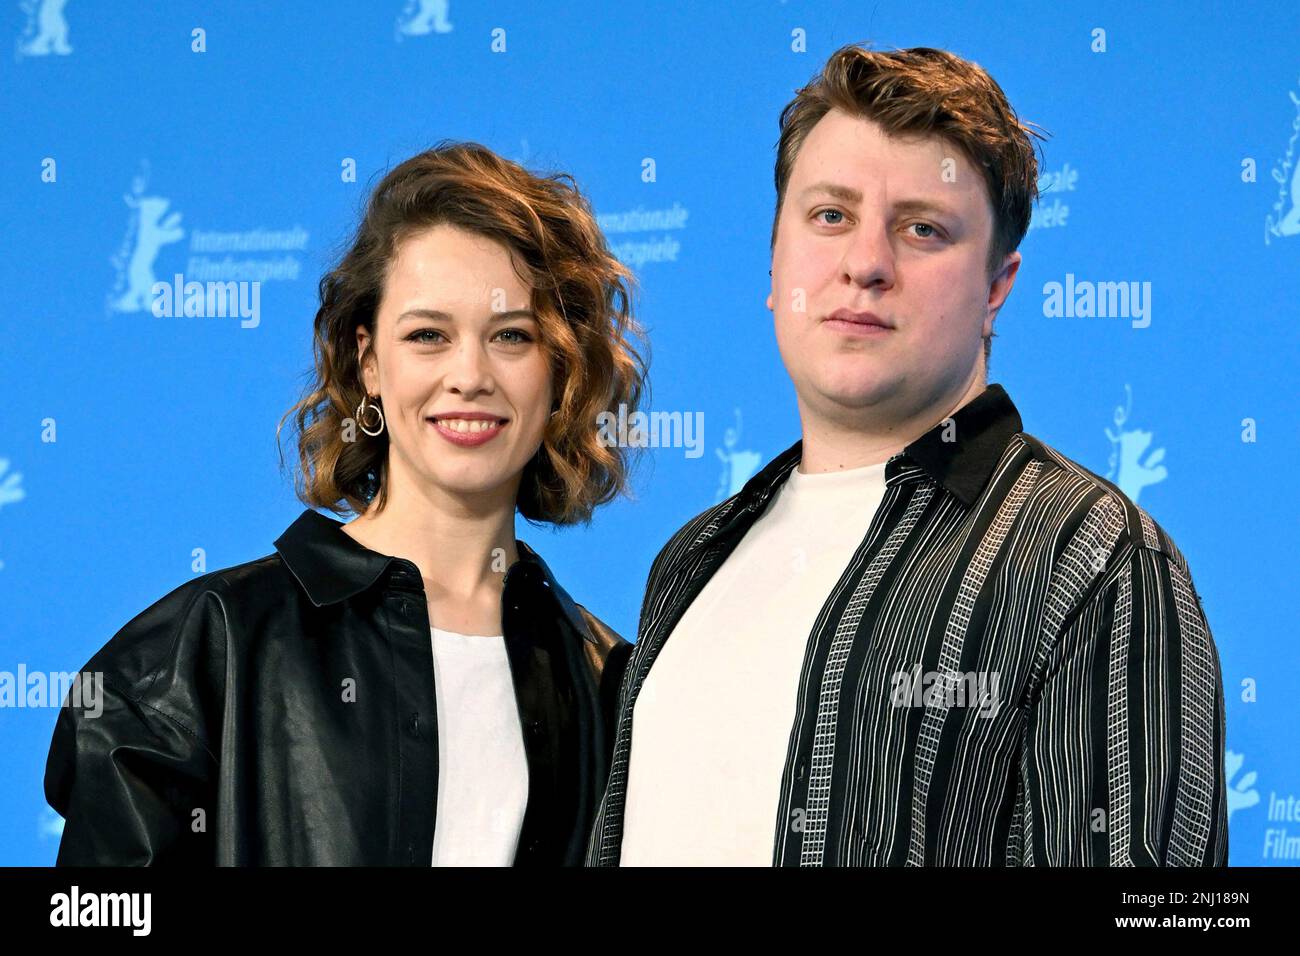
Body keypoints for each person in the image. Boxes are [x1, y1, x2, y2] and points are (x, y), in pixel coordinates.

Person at [587, 43, 1228, 866]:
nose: (864, 264)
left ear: (998, 283)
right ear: (775, 257)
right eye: (830, 216)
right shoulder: (693, 560)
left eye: (922, 229)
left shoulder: (1092, 560)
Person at [45, 141, 646, 866]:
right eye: (428, 335)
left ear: (559, 370)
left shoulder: (611, 684)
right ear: (367, 361)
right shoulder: (203, 652)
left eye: (510, 336)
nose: (470, 375)